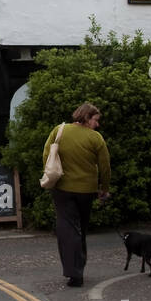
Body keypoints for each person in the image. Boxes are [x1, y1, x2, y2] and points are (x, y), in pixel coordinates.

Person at [43, 102, 110, 287]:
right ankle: (78, 267)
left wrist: (50, 176)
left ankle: (74, 272)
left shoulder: (59, 130)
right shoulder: (96, 138)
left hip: (62, 188)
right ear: (87, 117)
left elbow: (47, 155)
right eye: (95, 120)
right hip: (86, 191)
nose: (97, 124)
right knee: (80, 229)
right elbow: (105, 166)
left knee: (67, 228)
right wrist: (104, 188)